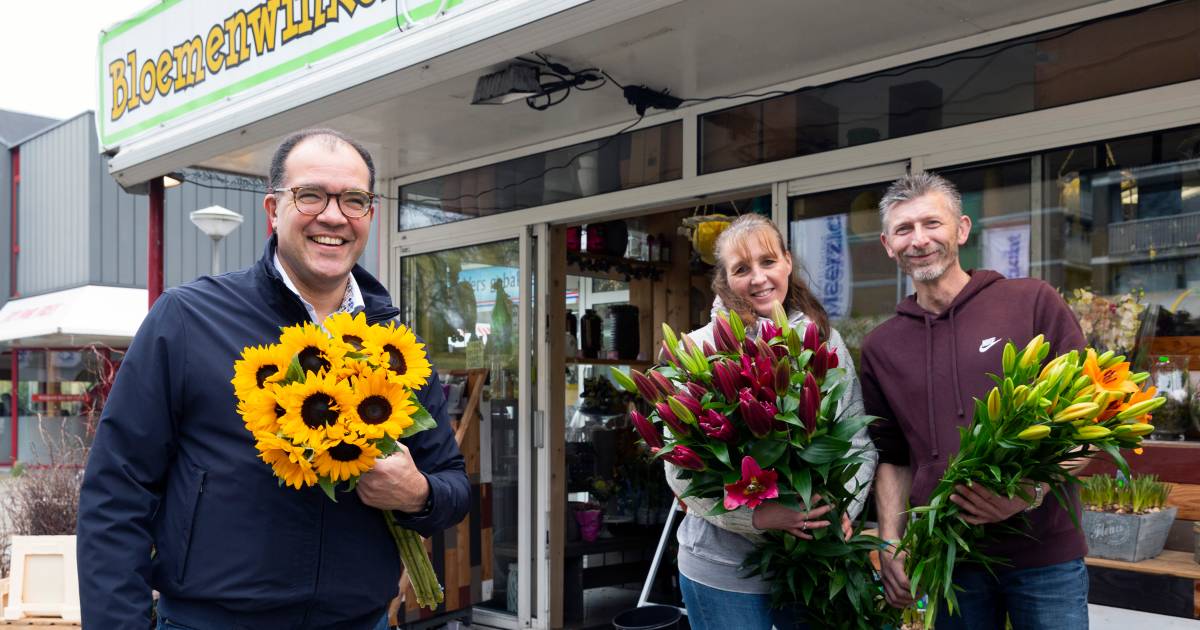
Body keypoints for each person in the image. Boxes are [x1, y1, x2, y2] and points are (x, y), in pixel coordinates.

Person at [77, 129, 470, 629]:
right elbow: (117, 492)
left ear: (369, 214)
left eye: (354, 200)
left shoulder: (393, 343)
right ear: (273, 209)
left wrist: (418, 494)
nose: (333, 216)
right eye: (310, 195)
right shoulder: (188, 318)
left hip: (358, 620)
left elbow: (453, 484)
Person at [862, 172, 1088, 630]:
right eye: (904, 229)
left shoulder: (1031, 303)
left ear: (962, 229)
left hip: (1043, 554)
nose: (919, 240)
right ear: (888, 245)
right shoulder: (882, 346)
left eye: (932, 223)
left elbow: (1088, 423)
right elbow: (892, 456)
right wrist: (891, 542)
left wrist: (1029, 492)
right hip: (952, 560)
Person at [664, 214, 877, 630]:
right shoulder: (697, 348)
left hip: (808, 565)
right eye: (742, 269)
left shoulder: (825, 341)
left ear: (788, 262)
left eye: (768, 261)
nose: (759, 278)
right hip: (722, 569)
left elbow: (858, 443)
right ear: (725, 280)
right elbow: (679, 469)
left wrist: (838, 510)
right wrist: (759, 517)